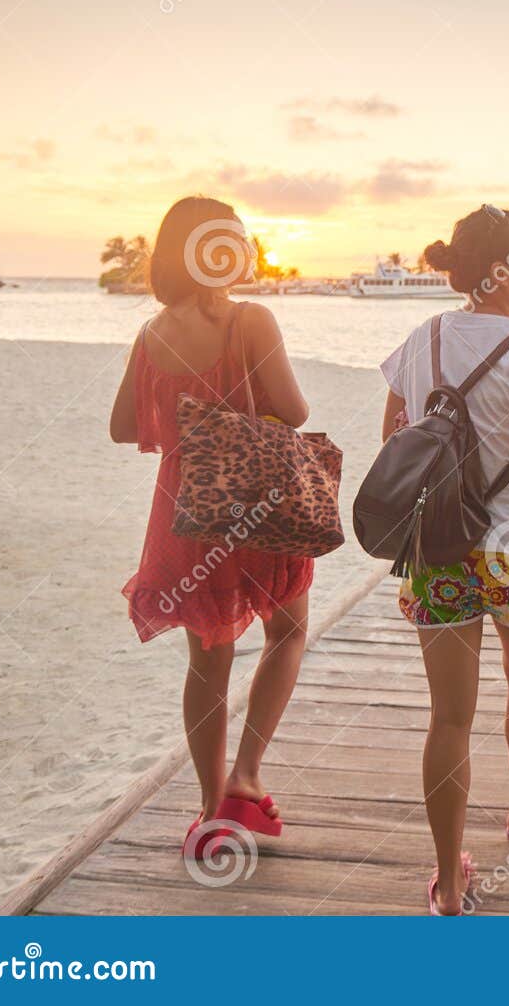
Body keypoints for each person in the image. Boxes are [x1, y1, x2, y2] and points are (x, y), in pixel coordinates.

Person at [380, 204, 509, 915]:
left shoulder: (422, 339)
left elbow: (395, 439)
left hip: (440, 548)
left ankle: (451, 884)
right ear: (505, 267)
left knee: (449, 718)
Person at [110, 195, 315, 861]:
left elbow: (122, 427)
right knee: (287, 629)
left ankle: (208, 810)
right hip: (253, 504)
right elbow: (292, 407)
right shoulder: (251, 319)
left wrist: (182, 412)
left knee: (207, 659)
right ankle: (245, 776)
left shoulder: (152, 332)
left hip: (184, 514)